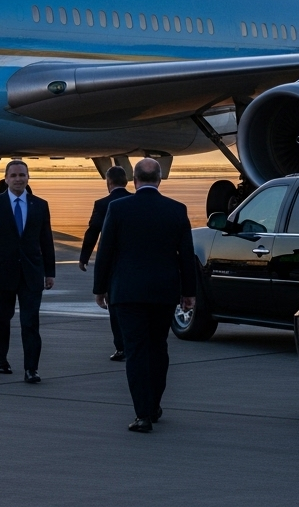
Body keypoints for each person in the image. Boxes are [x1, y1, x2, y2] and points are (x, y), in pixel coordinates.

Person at [92, 158, 196, 432]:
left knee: (136, 351)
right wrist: (189, 292)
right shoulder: (176, 210)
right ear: (159, 180)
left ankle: (142, 414)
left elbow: (105, 252)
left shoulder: (118, 208)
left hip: (127, 292)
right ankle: (154, 404)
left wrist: (100, 288)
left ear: (134, 180)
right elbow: (186, 255)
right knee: (158, 348)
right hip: (163, 292)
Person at [0, 159, 55, 383]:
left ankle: (31, 368)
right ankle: (1, 358)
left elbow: (46, 241)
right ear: (7, 179)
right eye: (14, 175)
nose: (19, 179)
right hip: (1, 274)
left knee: (30, 322)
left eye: (22, 175)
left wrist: (50, 272)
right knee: (2, 318)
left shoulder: (40, 205)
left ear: (28, 177)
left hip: (31, 274)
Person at [80, 165, 132, 361]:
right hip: (133, 262)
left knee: (115, 307)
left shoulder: (102, 204)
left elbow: (93, 231)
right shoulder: (135, 201)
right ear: (126, 182)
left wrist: (84, 256)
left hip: (112, 263)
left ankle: (121, 347)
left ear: (108, 182)